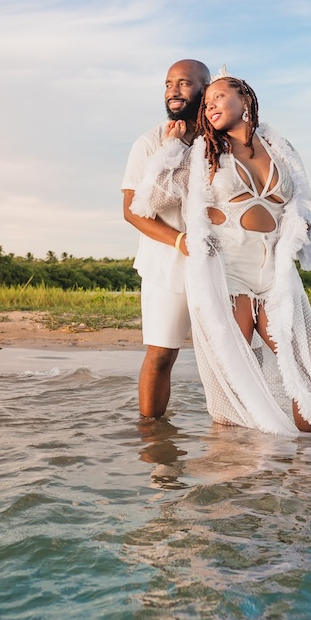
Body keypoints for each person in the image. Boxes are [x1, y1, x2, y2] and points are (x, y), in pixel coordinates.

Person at [131, 70, 311, 436]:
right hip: (226, 269)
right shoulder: (202, 151)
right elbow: (150, 201)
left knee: (309, 365)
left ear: (245, 99)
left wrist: (301, 230)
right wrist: (171, 149)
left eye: (219, 96)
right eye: (207, 103)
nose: (210, 106)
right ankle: (231, 462)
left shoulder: (279, 146)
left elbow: (299, 201)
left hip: (275, 269)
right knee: (234, 372)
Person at [122, 59, 212, 419]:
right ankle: (152, 439)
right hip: (167, 264)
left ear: (206, 89)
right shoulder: (149, 142)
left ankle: (233, 439)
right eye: (168, 83)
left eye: (184, 83)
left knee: (232, 354)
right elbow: (132, 211)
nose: (173, 90)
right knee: (161, 354)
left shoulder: (221, 138)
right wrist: (180, 242)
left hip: (219, 264)